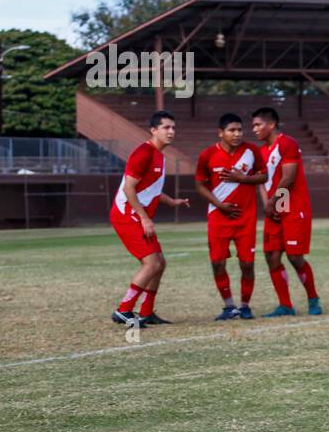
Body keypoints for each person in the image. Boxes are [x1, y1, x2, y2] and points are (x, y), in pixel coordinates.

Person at [109, 110, 190, 327]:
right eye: (166, 127)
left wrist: (172, 201)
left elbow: (150, 190)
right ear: (153, 130)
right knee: (152, 263)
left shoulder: (159, 155)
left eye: (173, 127)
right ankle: (124, 310)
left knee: (159, 263)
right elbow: (129, 188)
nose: (171, 131)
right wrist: (145, 218)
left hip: (137, 214)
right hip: (127, 214)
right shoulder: (143, 153)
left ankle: (145, 313)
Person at [195, 113, 267, 320]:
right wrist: (219, 205)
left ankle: (245, 306)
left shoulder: (251, 150)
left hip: (246, 218)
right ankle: (229, 307)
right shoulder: (207, 155)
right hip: (218, 217)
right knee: (218, 263)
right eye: (231, 130)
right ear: (220, 133)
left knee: (247, 264)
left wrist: (242, 178)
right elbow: (199, 185)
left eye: (239, 130)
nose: (237, 134)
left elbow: (264, 176)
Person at [252, 107, 321, 317]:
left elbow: (288, 178)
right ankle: (286, 305)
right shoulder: (261, 151)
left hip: (293, 208)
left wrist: (273, 202)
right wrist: (267, 204)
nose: (254, 129)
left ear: (271, 124)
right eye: (253, 125)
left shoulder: (287, 143)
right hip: (274, 209)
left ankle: (313, 299)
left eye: (258, 125)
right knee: (271, 256)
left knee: (295, 257)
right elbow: (262, 181)